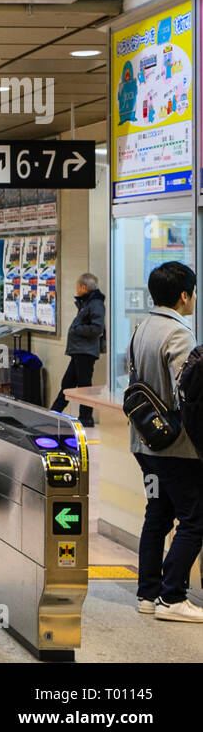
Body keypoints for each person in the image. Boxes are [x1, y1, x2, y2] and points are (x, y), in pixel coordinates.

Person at [129, 261, 203, 621]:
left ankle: (148, 594)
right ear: (184, 295)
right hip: (175, 447)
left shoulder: (141, 327)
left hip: (145, 444)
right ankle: (172, 598)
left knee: (157, 514)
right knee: (194, 519)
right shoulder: (179, 334)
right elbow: (186, 392)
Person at [50, 272, 105, 426]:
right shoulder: (87, 303)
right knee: (68, 382)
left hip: (85, 351)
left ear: (83, 287)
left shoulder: (95, 304)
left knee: (84, 385)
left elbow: (97, 328)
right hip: (79, 350)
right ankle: (55, 411)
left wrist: (77, 329)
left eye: (77, 286)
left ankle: (86, 418)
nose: (76, 289)